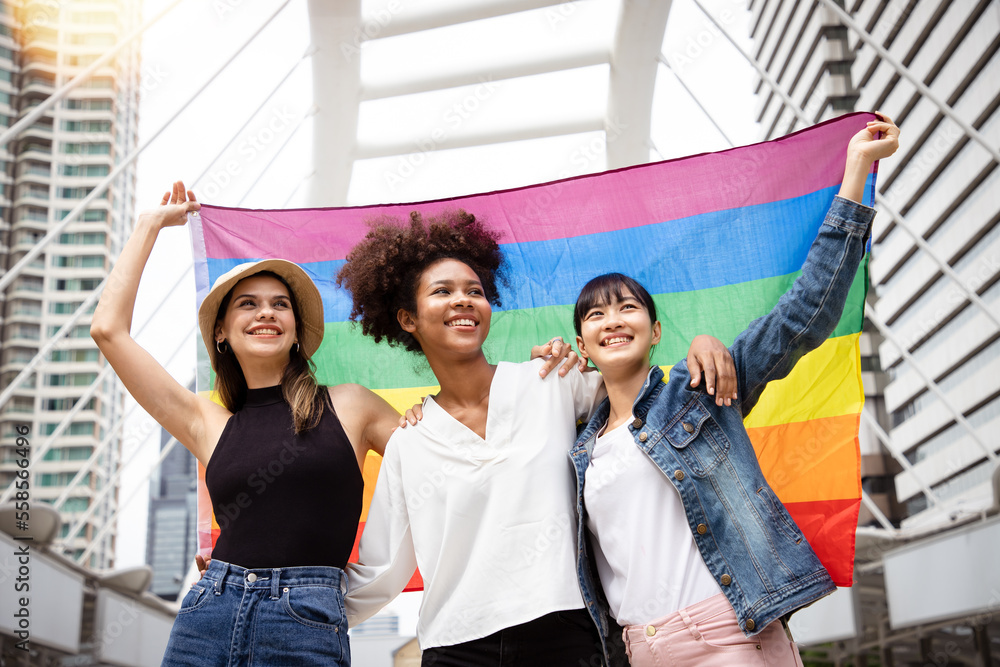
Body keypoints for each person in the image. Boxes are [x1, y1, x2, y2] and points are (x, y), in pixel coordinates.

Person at [335, 209, 736, 666]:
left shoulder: (551, 380)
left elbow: (640, 383)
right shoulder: (410, 441)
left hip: (567, 636)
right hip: (456, 647)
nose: (463, 301)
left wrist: (702, 343)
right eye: (442, 292)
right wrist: (292, 612)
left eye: (475, 292)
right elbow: (381, 570)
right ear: (408, 318)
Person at [568, 116, 900, 666]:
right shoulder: (577, 446)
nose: (613, 319)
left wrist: (856, 171)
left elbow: (803, 315)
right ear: (583, 345)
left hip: (726, 638)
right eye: (596, 313)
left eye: (628, 307)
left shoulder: (699, 390)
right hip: (637, 652)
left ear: (655, 334)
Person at [91, 182, 406, 666]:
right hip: (209, 613)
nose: (266, 312)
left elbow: (449, 463)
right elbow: (108, 330)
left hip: (307, 621)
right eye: (248, 303)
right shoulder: (205, 422)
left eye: (281, 304)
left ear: (297, 331)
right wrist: (149, 225)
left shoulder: (352, 406)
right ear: (221, 332)